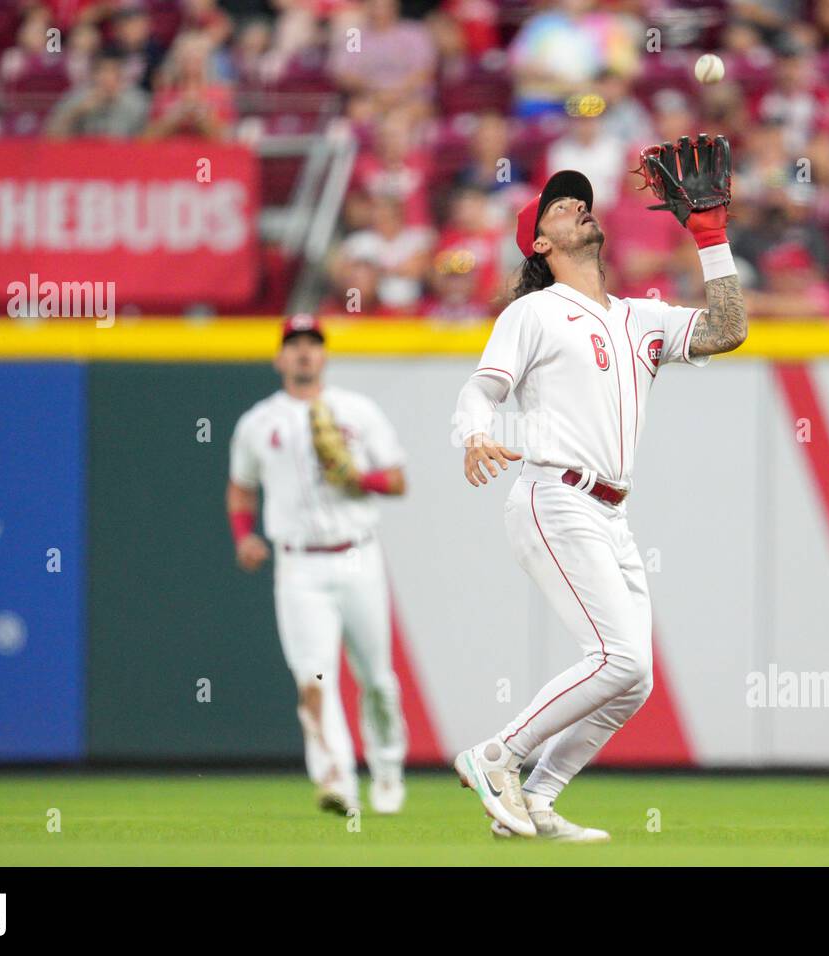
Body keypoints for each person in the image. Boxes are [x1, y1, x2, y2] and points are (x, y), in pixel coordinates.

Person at [450, 147, 748, 842]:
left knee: (633, 680)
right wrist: (472, 435)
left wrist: (710, 237)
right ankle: (499, 755)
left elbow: (728, 329)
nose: (579, 205)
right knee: (619, 658)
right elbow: (481, 388)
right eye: (561, 205)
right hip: (554, 495)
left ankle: (539, 797)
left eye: (579, 198)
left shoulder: (638, 316)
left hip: (610, 511)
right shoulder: (535, 312)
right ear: (542, 243)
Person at [227, 315, 410, 815]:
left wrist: (358, 479)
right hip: (298, 566)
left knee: (376, 677)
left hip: (357, 555)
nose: (303, 353)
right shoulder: (258, 422)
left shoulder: (357, 410)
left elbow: (397, 480)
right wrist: (244, 537)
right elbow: (241, 488)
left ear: (324, 355)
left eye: (312, 344)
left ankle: (388, 765)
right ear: (279, 358)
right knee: (314, 679)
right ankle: (336, 780)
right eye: (294, 345)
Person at [45, 50, 151, 140]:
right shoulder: (77, 97)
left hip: (125, 156)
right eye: (103, 72)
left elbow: (148, 139)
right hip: (83, 156)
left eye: (114, 72)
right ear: (93, 74)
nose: (109, 78)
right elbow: (50, 136)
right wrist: (77, 111)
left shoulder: (138, 100)